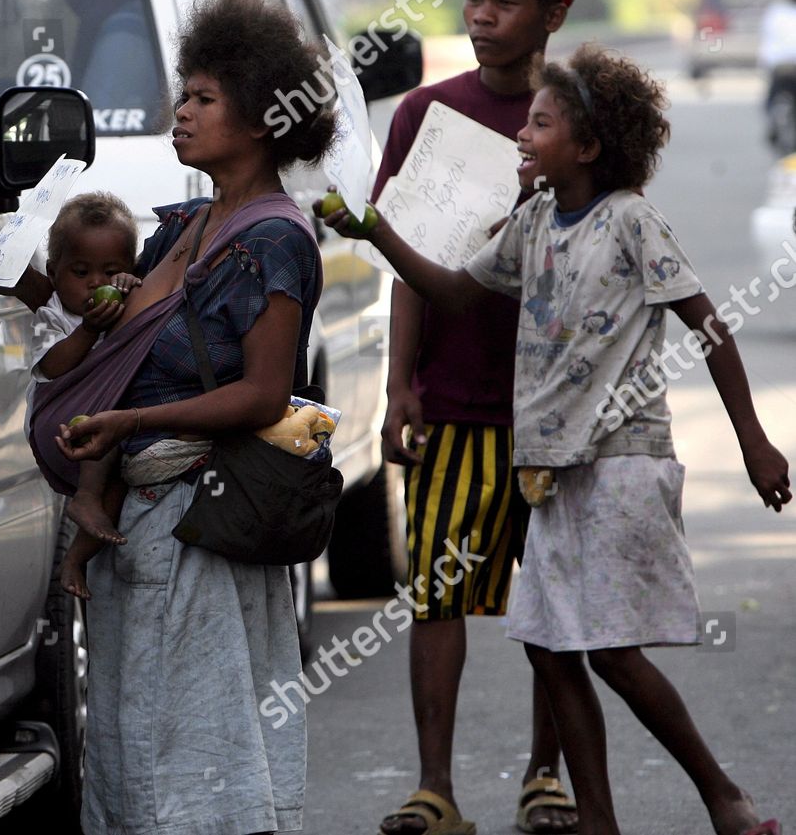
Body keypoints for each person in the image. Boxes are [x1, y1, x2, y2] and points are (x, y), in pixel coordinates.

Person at [320, 44, 789, 835]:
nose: (522, 136)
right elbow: (454, 292)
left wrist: (754, 442)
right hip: (550, 473)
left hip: (619, 462)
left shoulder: (634, 221)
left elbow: (709, 326)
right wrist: (375, 229)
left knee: (607, 650)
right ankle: (599, 819)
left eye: (540, 123)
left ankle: (722, 794)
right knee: (546, 644)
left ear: (589, 146)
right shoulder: (533, 218)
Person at [44, 0, 332, 835]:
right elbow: (119, 356)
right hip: (140, 526)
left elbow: (263, 394)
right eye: (184, 95)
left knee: (202, 759)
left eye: (205, 99)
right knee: (141, 746)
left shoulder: (276, 239)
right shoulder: (183, 229)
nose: (182, 113)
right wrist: (31, 275)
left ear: (260, 118)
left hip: (206, 530)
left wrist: (130, 428)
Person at [371, 0, 581, 835]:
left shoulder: (582, 114)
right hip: (454, 403)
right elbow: (407, 254)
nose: (482, 17)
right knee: (438, 592)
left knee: (555, 603)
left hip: (560, 412)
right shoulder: (429, 114)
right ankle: (435, 786)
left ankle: (546, 775)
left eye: (504, 2)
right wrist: (398, 385)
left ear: (551, 14)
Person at [25, 191, 140, 598]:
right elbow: (53, 367)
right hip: (62, 424)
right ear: (54, 272)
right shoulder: (53, 314)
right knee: (105, 423)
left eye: (112, 271)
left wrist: (130, 288)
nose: (97, 283)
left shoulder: (128, 300)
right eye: (80, 271)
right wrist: (89, 329)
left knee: (121, 491)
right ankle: (86, 496)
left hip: (108, 445)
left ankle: (75, 558)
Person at [757, 0, 796, 153]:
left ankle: (773, 125)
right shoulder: (776, 11)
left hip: (780, 67)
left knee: (771, 99)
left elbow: (767, 40)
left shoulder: (775, 12)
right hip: (782, 67)